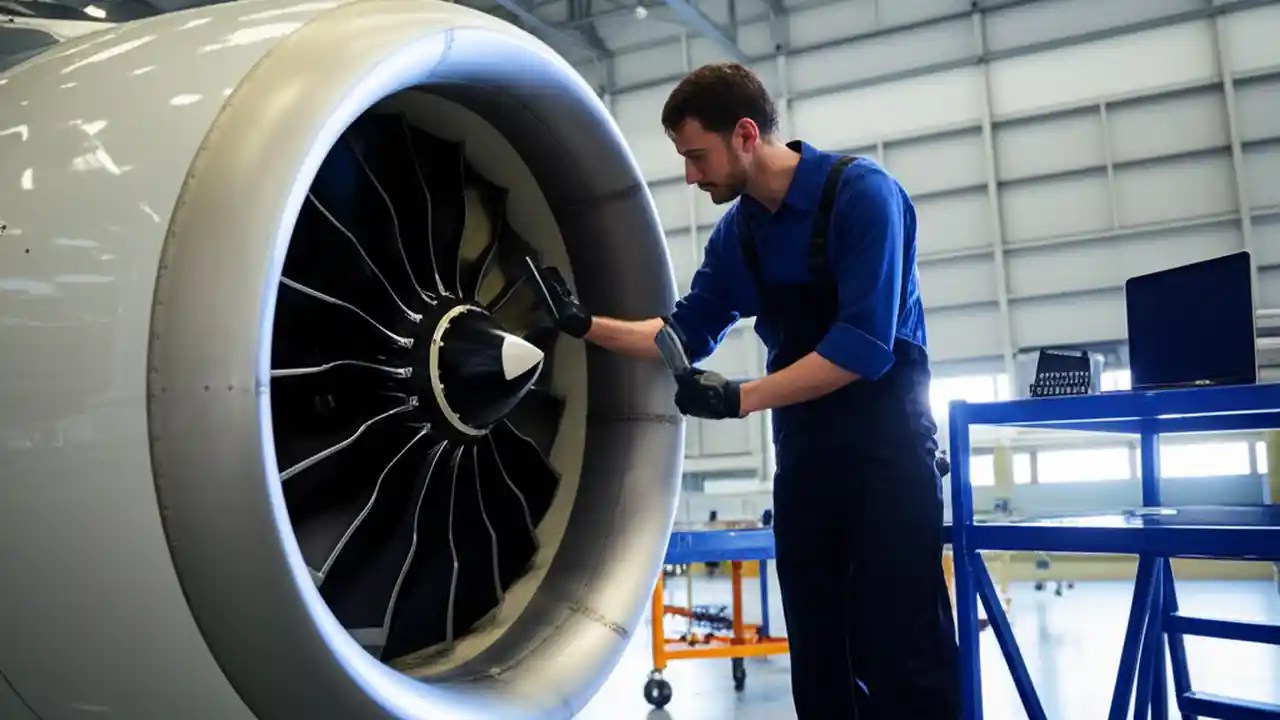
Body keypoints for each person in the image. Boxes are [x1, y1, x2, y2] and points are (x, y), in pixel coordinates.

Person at [532, 62, 959, 719]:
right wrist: (584, 325)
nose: (691, 175)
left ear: (746, 135)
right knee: (819, 650)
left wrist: (740, 398)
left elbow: (864, 349)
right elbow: (683, 334)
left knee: (903, 644)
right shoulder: (740, 236)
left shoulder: (863, 196)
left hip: (888, 450)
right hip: (807, 457)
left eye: (697, 156)